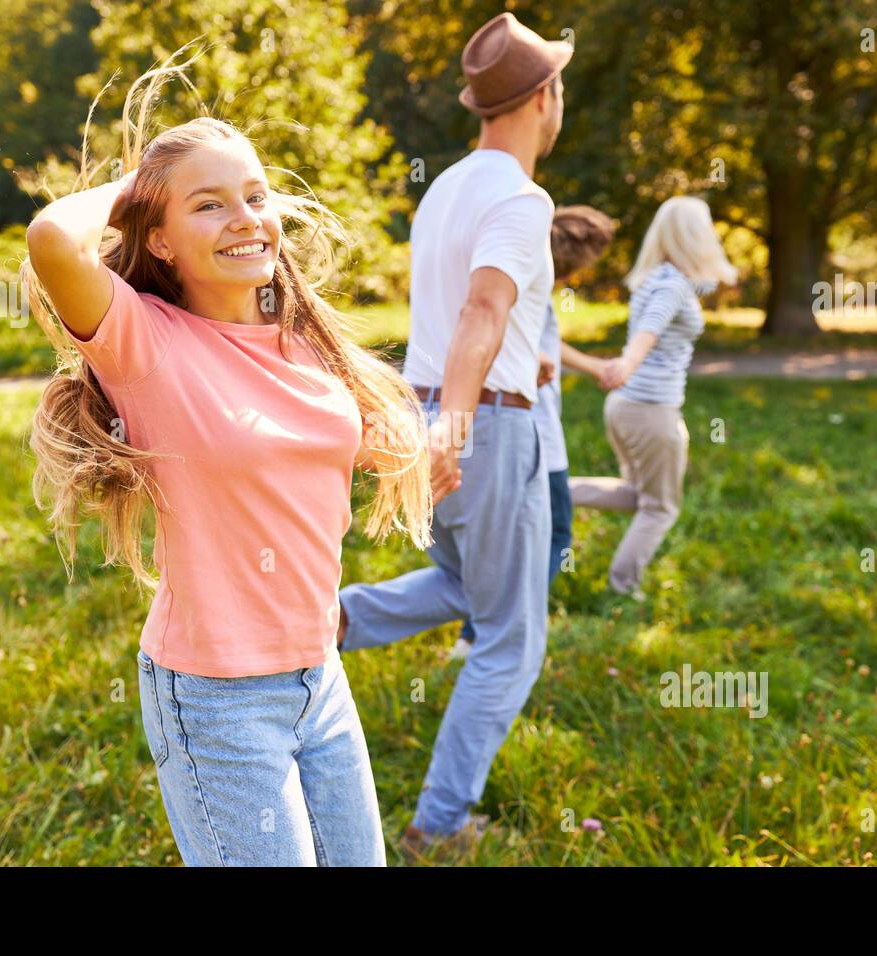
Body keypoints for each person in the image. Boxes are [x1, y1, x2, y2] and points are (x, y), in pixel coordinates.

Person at [21, 52, 433, 867]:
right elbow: (50, 241)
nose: (247, 217)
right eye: (209, 205)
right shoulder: (144, 343)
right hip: (216, 697)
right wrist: (138, 178)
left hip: (319, 677)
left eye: (255, 196)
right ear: (161, 240)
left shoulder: (298, 337)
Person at [334, 11, 572, 857]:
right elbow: (483, 307)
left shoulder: (446, 188)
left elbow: (461, 316)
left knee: (465, 585)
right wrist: (463, 422)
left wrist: (446, 415)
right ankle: (440, 821)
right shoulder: (519, 195)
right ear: (543, 96)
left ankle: (331, 622)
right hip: (484, 430)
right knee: (512, 640)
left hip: (429, 409)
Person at [451, 204, 618, 659]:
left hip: (525, 426)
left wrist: (590, 365)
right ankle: (491, 628)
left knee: (515, 538)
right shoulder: (529, 282)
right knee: (556, 534)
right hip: (534, 430)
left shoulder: (520, 278)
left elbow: (546, 345)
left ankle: (482, 628)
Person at [569, 196, 738, 598]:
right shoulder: (671, 287)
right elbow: (652, 325)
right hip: (650, 408)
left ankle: (556, 489)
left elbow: (710, 282)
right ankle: (623, 587)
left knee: (636, 495)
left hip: (627, 406)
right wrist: (627, 362)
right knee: (660, 508)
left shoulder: (659, 277)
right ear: (695, 236)